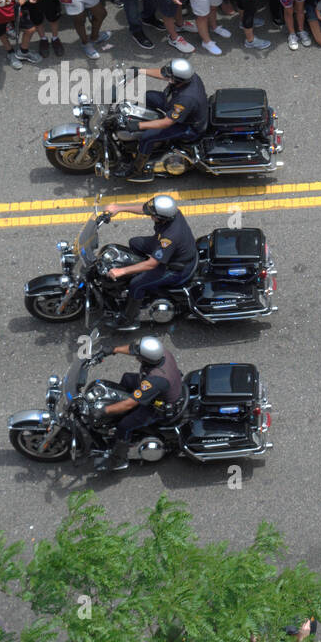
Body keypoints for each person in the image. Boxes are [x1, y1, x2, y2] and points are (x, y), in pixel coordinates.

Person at [101, 194, 199, 330]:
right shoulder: (172, 212)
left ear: (162, 218)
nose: (150, 216)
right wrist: (120, 208)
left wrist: (122, 271)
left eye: (153, 215)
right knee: (134, 243)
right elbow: (145, 209)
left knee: (137, 284)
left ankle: (128, 319)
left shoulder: (170, 236)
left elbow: (152, 264)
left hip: (177, 268)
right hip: (168, 249)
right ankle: (140, 272)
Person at [94, 336, 183, 471]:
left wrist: (104, 411)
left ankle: (119, 459)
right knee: (127, 378)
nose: (136, 356)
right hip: (166, 387)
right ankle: (116, 410)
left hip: (159, 407)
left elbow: (129, 404)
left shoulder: (155, 380)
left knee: (124, 425)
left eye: (139, 356)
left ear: (146, 360)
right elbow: (133, 349)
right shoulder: (161, 353)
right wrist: (113, 349)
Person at [118, 61, 210, 184]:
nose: (166, 77)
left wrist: (138, 125)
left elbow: (167, 122)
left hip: (188, 127)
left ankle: (137, 169)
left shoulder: (186, 99)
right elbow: (163, 74)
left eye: (170, 76)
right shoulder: (188, 76)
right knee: (147, 96)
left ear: (176, 80)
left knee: (147, 137)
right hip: (173, 103)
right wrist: (139, 71)